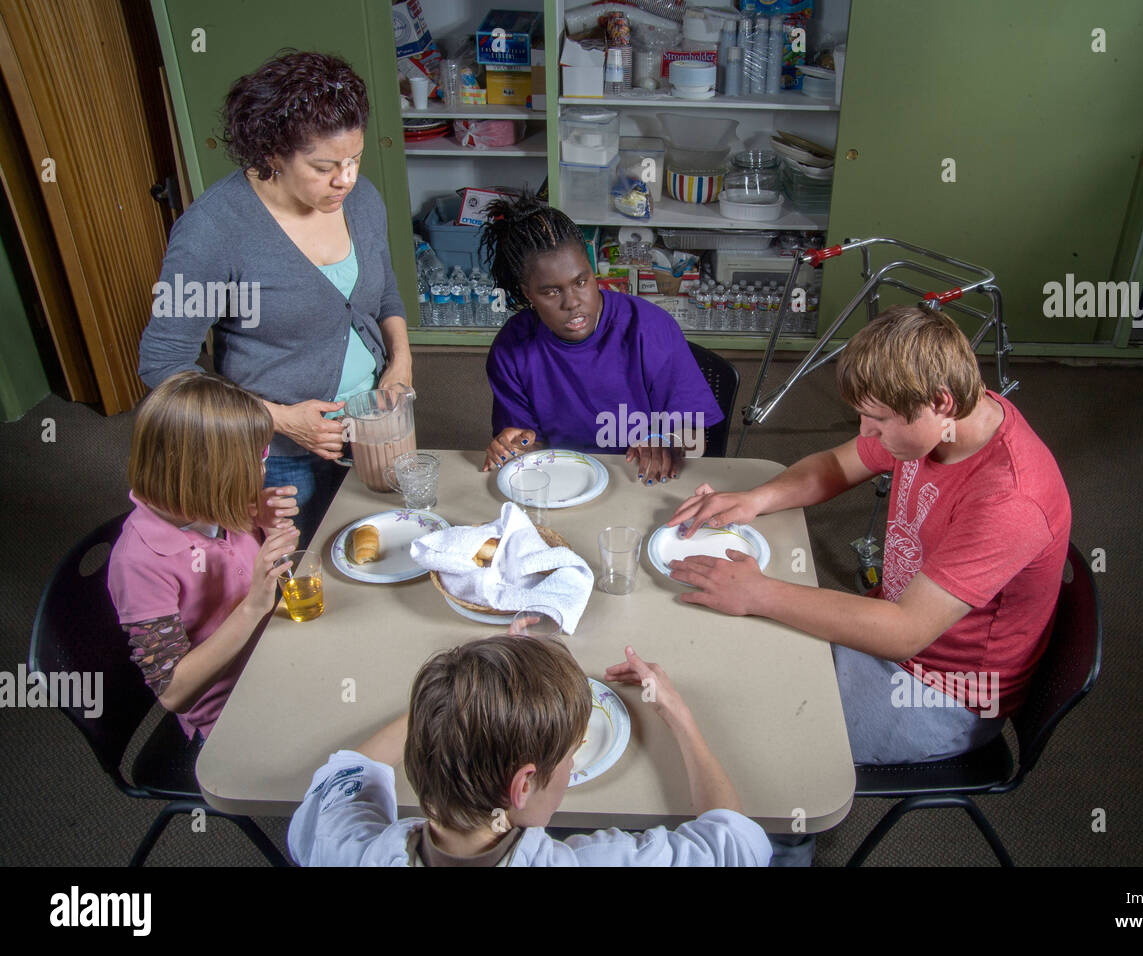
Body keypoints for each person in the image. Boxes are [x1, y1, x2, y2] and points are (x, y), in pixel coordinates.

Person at [668, 305, 1071, 767]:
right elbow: (838, 465)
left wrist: (759, 594)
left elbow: (904, 634)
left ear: (940, 403)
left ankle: (788, 833)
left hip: (938, 691)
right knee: (733, 651)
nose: (867, 433)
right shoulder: (946, 413)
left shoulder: (1010, 502)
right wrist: (755, 499)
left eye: (877, 421)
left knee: (747, 738)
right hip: (890, 621)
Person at [137, 51, 412, 543]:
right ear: (272, 155)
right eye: (325, 166)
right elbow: (163, 365)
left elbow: (384, 291)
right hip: (278, 452)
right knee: (298, 574)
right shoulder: (213, 232)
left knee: (382, 546)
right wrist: (284, 420)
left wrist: (401, 362)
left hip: (370, 425)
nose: (345, 179)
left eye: (354, 159)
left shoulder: (362, 200)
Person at [288, 638, 771, 866]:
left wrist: (469, 694)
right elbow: (736, 844)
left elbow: (349, 771)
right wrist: (678, 715)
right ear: (521, 785)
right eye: (569, 753)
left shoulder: (341, 849)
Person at [107, 372, 301, 745]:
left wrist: (266, 529)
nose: (263, 469)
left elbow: (254, 571)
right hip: (234, 710)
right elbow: (174, 693)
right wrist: (254, 605)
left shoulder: (218, 508)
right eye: (256, 458)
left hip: (277, 655)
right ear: (209, 474)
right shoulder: (139, 563)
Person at [478, 191, 723, 485]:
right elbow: (529, 446)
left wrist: (665, 439)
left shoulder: (649, 328)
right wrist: (515, 447)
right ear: (528, 294)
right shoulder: (512, 348)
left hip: (641, 477)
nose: (572, 303)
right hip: (563, 481)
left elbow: (695, 439)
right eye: (551, 291)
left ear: (593, 272)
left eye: (581, 282)